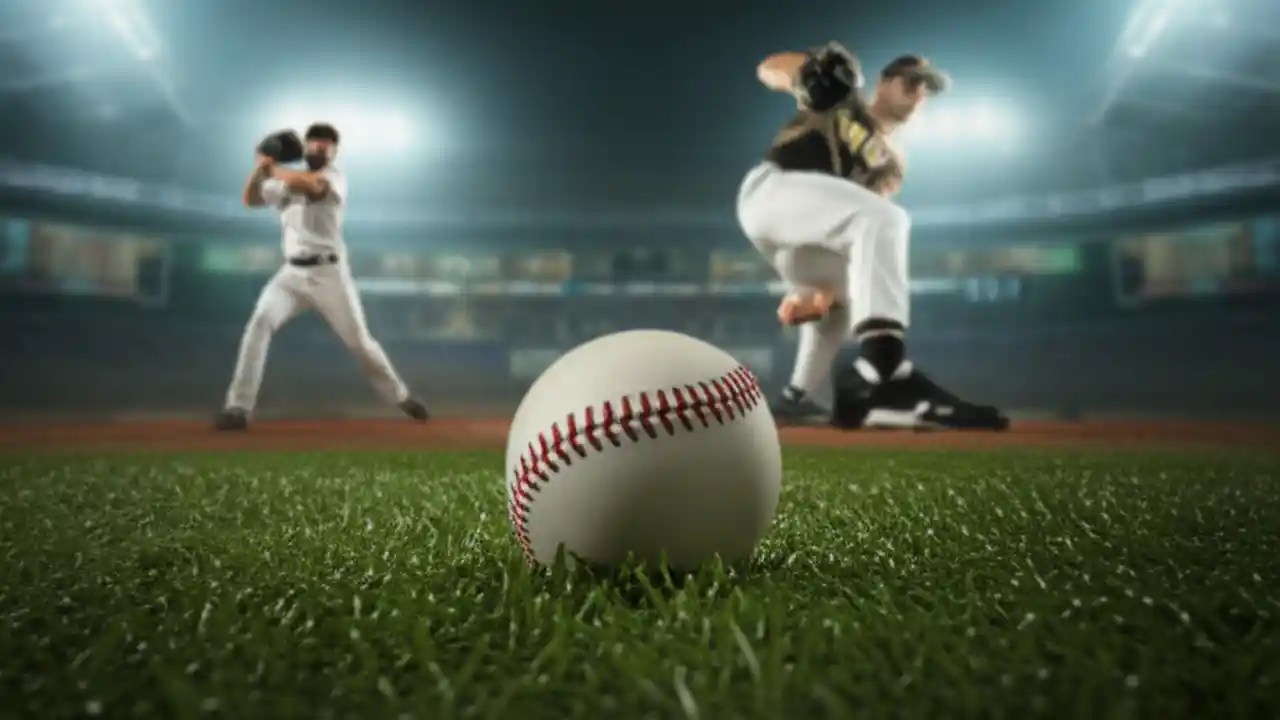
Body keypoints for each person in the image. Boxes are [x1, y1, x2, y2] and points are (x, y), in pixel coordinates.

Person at [737, 44, 1008, 430]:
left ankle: (796, 397)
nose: (919, 95)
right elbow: (771, 67)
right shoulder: (841, 100)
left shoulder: (891, 165)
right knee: (887, 219)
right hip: (772, 191)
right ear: (883, 82)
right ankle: (884, 370)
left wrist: (818, 294)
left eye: (926, 90)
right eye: (911, 83)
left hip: (804, 235)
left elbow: (860, 241)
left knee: (850, 292)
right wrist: (810, 76)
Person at [215, 123, 428, 431]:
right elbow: (250, 199)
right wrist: (260, 168)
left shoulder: (333, 177)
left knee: (360, 343)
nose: (320, 147)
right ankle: (238, 407)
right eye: (314, 142)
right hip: (290, 275)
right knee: (259, 324)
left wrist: (272, 167)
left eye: (327, 144)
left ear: (334, 151)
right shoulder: (285, 179)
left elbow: (313, 187)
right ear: (305, 146)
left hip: (330, 274)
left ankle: (401, 396)